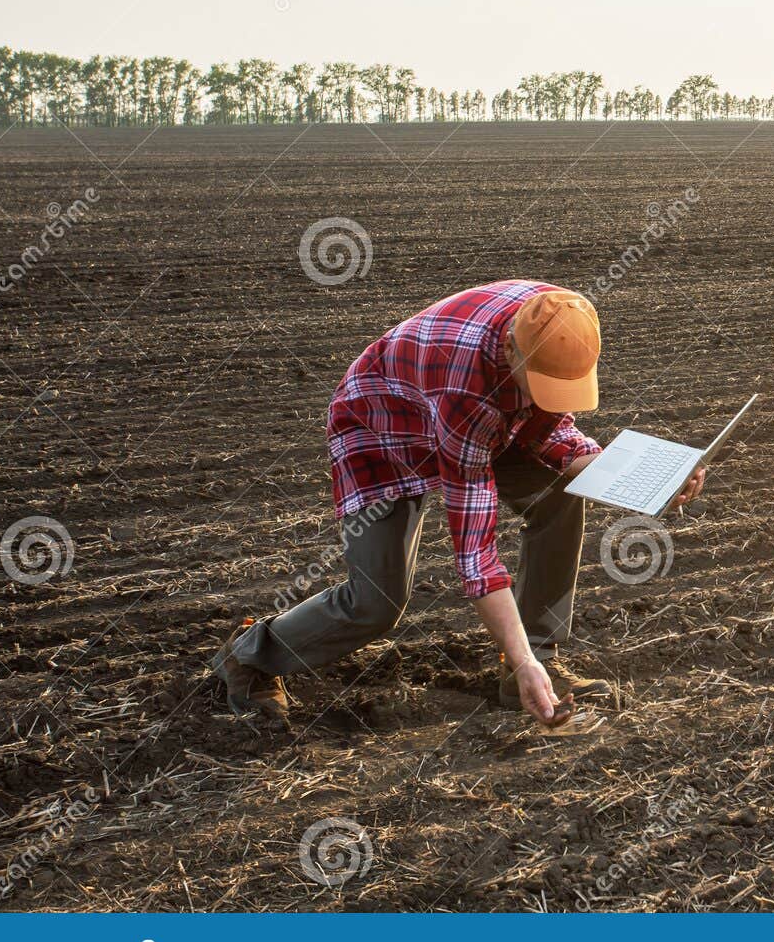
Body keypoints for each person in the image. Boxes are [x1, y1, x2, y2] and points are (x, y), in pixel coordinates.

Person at [210, 281, 704, 728]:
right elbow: (475, 556)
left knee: (558, 495)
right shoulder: (464, 388)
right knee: (377, 603)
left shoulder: (560, 318)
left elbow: (554, 436)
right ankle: (250, 655)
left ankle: (532, 664)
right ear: (511, 350)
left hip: (476, 419)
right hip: (382, 432)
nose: (554, 400)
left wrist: (649, 483)